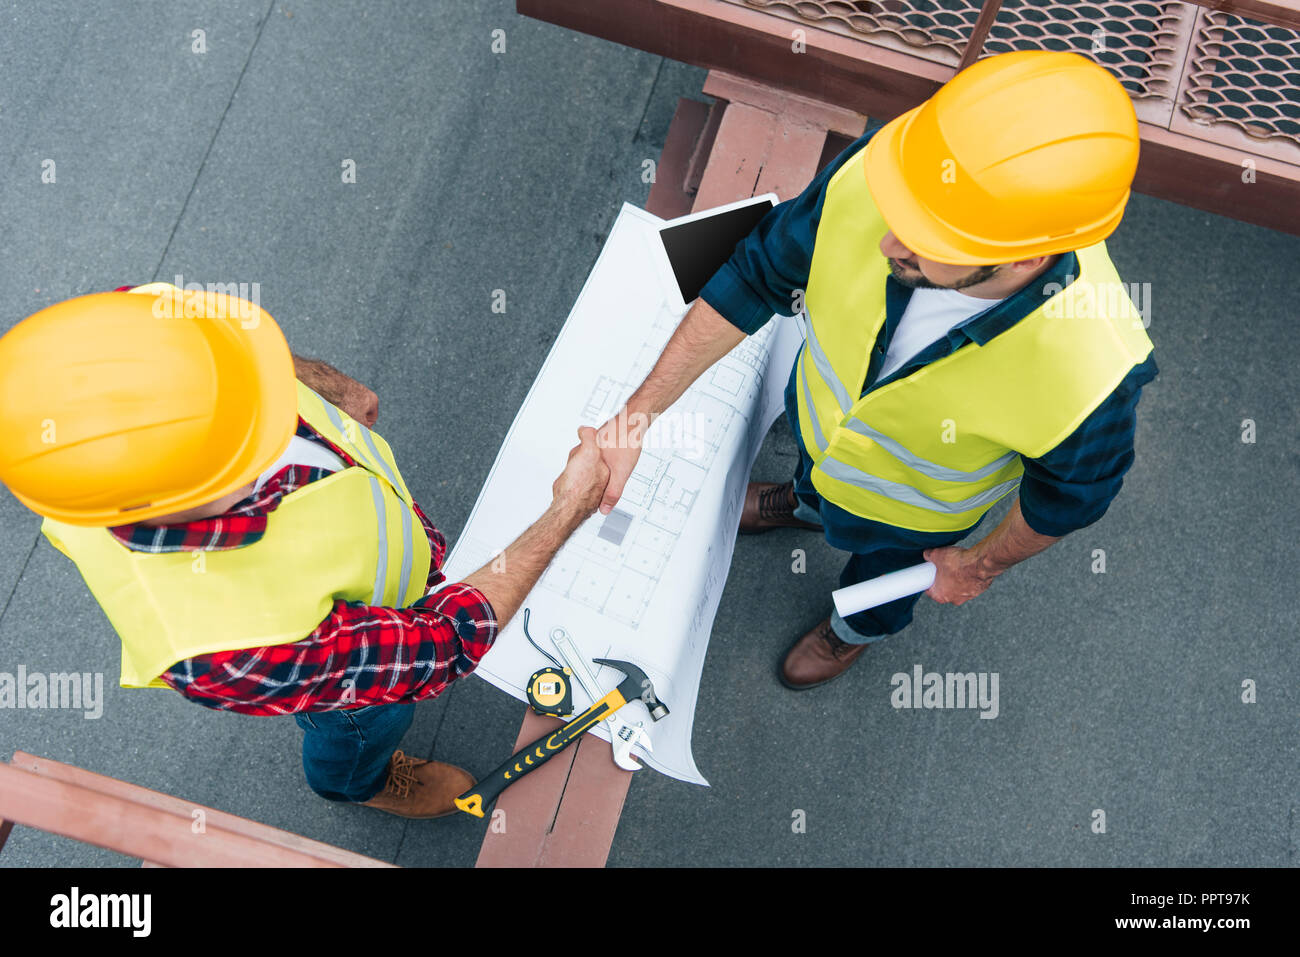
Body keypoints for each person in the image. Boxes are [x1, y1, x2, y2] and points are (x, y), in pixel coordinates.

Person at [595, 50, 1158, 689]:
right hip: (820, 430)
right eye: (900, 215)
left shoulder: (1093, 370)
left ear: (1027, 259)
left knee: (883, 583)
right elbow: (757, 274)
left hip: (912, 522)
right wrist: (634, 420)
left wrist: (975, 564)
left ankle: (852, 631)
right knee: (815, 473)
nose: (890, 241)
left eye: (927, 240)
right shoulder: (893, 172)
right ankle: (804, 504)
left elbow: (1069, 499)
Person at [0, 281, 609, 818]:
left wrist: (325, 388)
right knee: (363, 724)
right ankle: (359, 784)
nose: (286, 419)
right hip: (343, 674)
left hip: (373, 567)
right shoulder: (231, 649)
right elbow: (446, 641)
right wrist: (567, 511)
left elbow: (230, 350)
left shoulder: (118, 337)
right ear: (188, 497)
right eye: (252, 434)